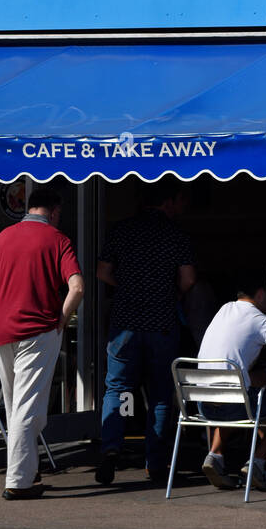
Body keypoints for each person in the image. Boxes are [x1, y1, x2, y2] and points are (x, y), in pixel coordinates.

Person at [0, 187, 84, 500]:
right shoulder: (58, 240)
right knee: (25, 408)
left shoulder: (2, 238)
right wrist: (62, 318)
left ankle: (29, 472)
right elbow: (77, 287)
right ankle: (19, 481)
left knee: (15, 406)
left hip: (2, 330)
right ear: (54, 211)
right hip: (38, 330)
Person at [95, 176, 196, 485]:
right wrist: (170, 293)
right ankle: (156, 464)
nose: (182, 207)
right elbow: (189, 278)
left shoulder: (121, 230)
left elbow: (102, 272)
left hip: (125, 323)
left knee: (117, 389)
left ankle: (110, 448)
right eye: (179, 201)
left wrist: (126, 287)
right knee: (161, 395)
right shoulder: (176, 233)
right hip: (162, 323)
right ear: (167, 202)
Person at [196, 275, 266, 491]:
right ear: (260, 294)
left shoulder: (224, 310)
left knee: (233, 394)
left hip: (202, 404)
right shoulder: (261, 319)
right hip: (235, 406)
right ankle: (257, 463)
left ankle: (214, 455)